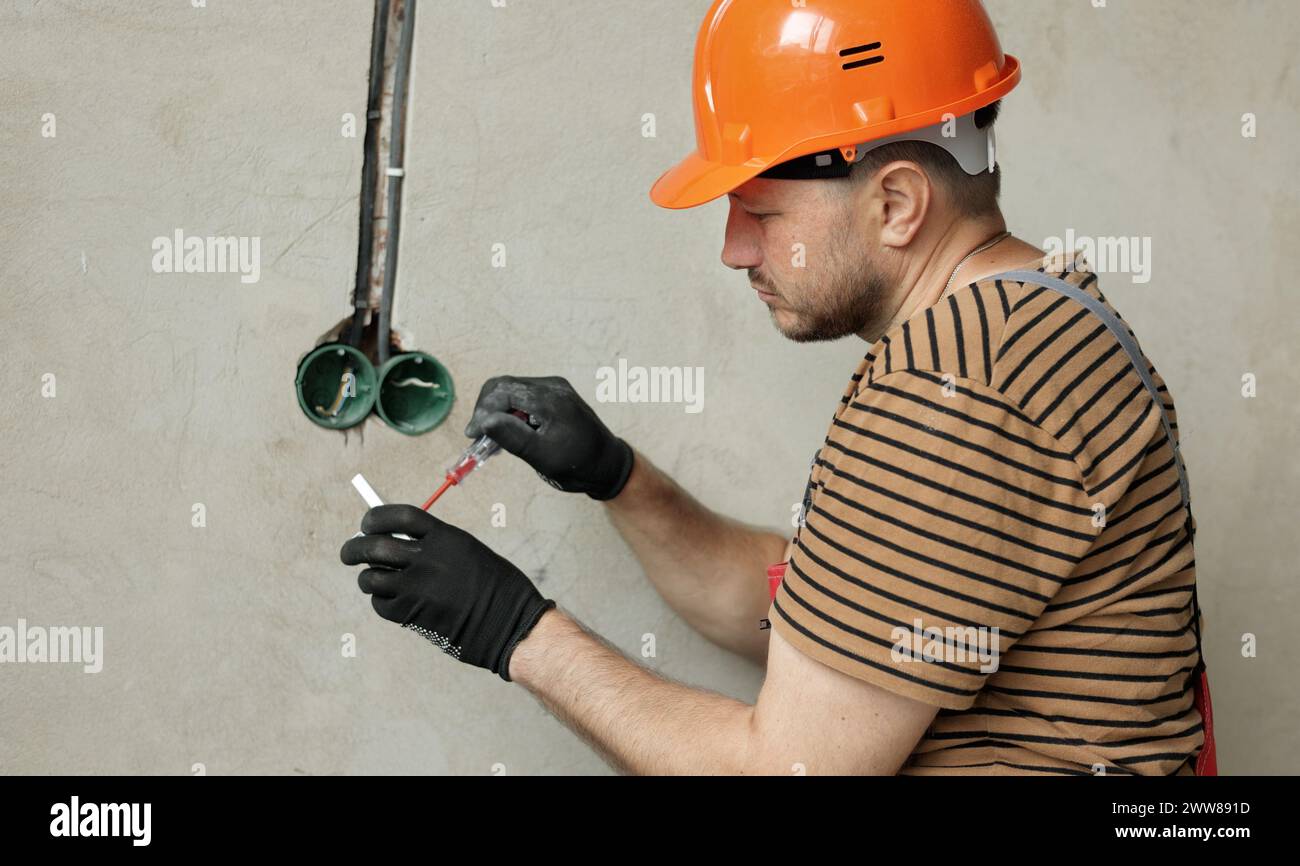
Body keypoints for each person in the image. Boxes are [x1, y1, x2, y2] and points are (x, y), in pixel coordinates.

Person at [340, 0, 1209, 775]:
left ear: (897, 202)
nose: (735, 250)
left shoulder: (956, 392)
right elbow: (820, 617)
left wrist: (508, 628)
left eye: (762, 211)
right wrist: (615, 476)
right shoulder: (1042, 318)